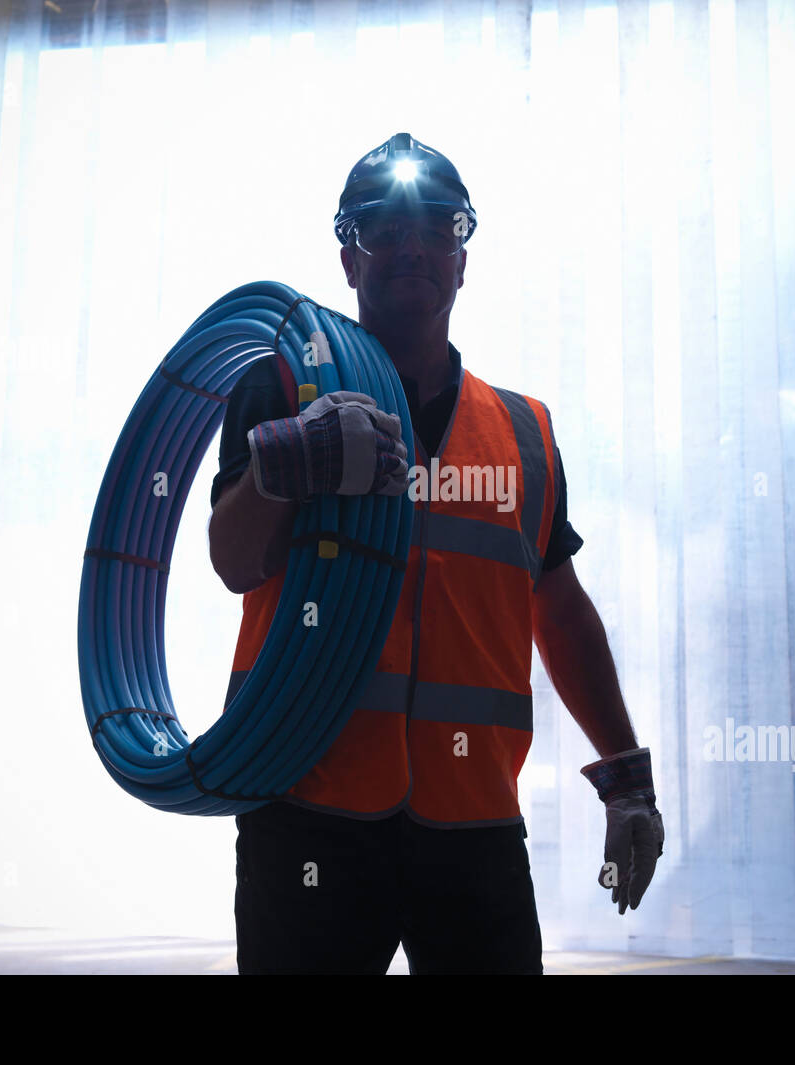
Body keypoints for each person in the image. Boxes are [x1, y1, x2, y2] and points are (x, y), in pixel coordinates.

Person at [206, 133, 664, 975]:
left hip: (474, 825)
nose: (412, 247)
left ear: (464, 258)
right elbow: (234, 561)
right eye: (384, 229)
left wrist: (626, 772)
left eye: (438, 229)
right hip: (310, 812)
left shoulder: (523, 432)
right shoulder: (282, 387)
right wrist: (284, 464)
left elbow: (559, 608)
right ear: (349, 256)